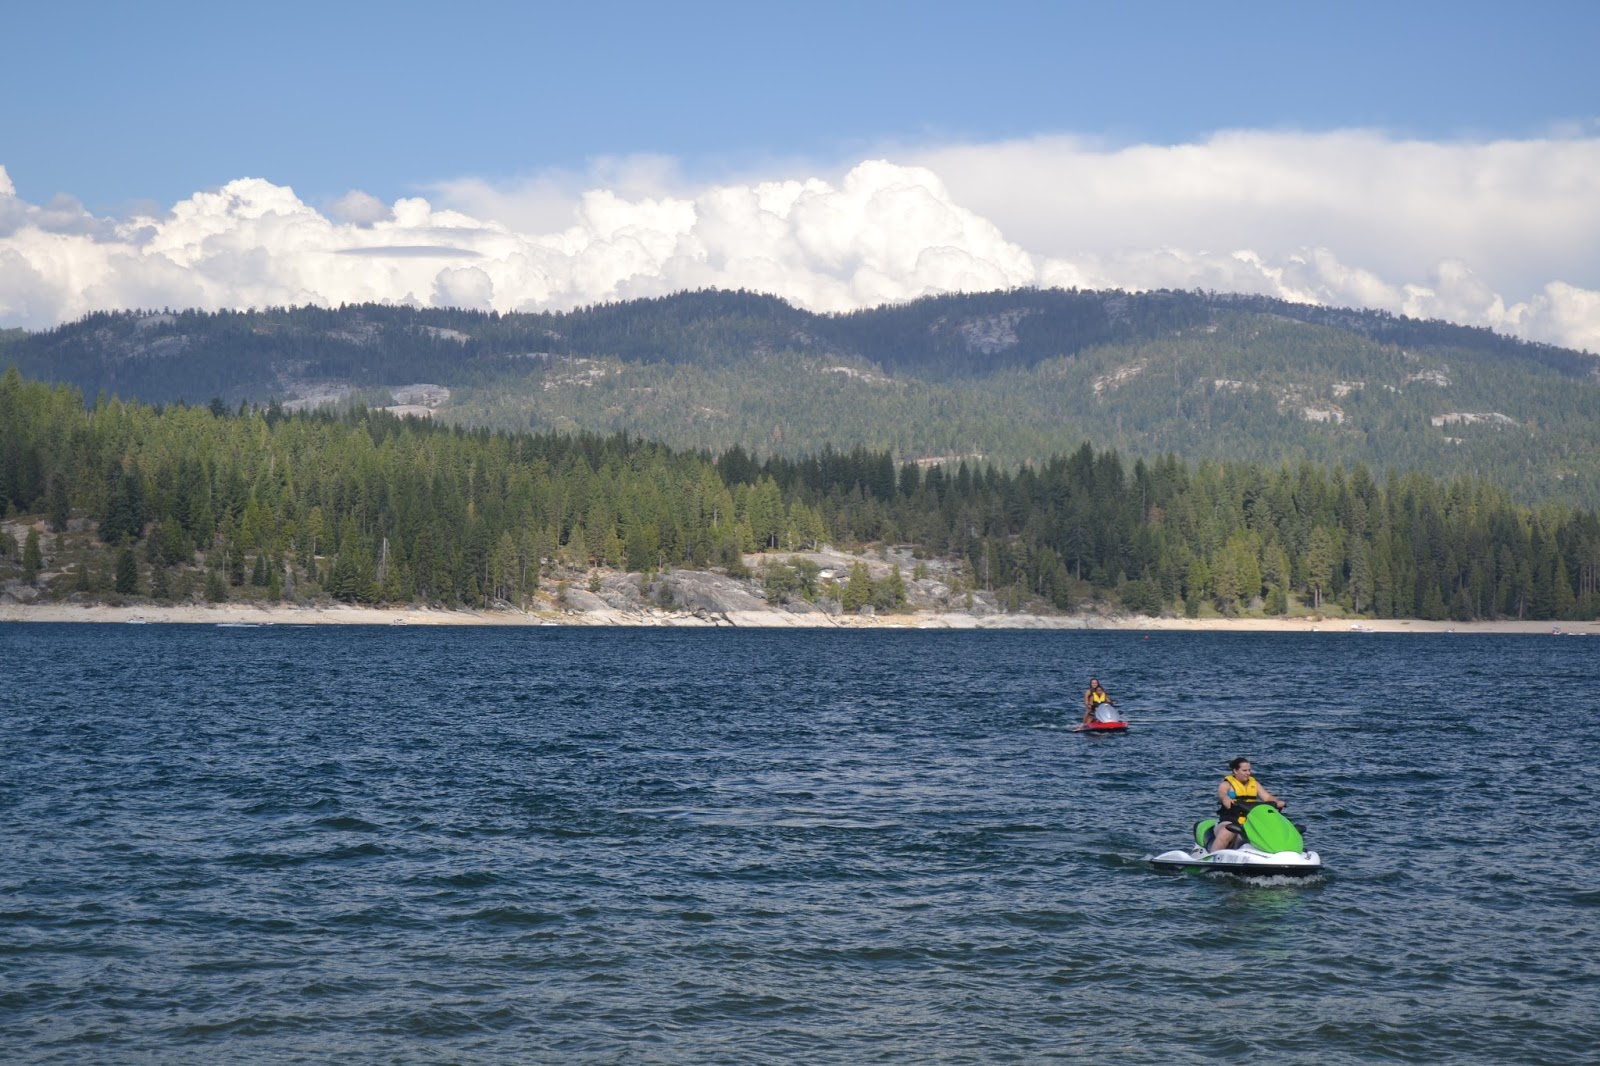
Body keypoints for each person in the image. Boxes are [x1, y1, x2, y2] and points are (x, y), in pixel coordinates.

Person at [1208, 757, 1285, 852]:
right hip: (1231, 820)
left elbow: (1267, 797)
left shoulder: (1254, 784)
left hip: (1250, 821)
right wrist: (1226, 798)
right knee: (1227, 833)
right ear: (1235, 771)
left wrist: (1276, 802)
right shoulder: (1227, 784)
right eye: (1244, 770)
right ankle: (1212, 857)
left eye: (1249, 770)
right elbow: (1222, 793)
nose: (1248, 773)